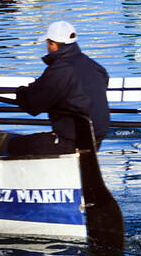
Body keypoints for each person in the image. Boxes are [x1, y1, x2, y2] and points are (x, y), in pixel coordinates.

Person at [11, 20, 110, 155]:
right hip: (96, 140)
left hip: (73, 140)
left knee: (13, 144)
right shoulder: (95, 67)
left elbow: (31, 105)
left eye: (47, 43)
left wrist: (21, 92)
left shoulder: (60, 69)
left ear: (52, 44)